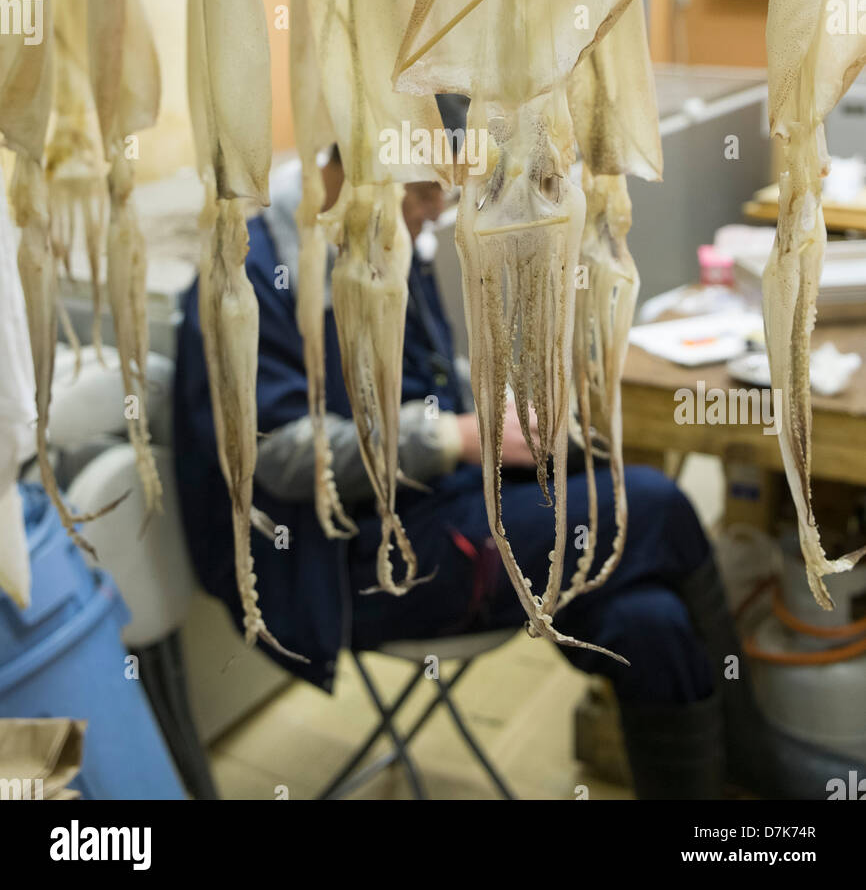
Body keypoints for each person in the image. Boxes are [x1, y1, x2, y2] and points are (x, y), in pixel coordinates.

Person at [173, 110, 856, 801]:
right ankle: (769, 782)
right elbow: (279, 456)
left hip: (442, 501)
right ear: (350, 165)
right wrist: (458, 436)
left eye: (440, 196)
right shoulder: (245, 274)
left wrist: (510, 406)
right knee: (659, 507)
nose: (428, 216)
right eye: (419, 196)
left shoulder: (384, 234)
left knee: (652, 625)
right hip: (350, 560)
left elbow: (429, 379)